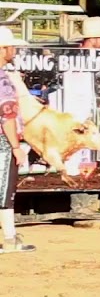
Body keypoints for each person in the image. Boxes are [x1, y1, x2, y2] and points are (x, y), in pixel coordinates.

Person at [0, 27, 33, 253]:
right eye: (11, 47)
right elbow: (7, 115)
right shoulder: (2, 79)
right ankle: (10, 238)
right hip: (2, 141)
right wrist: (15, 146)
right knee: (4, 189)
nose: (14, 50)